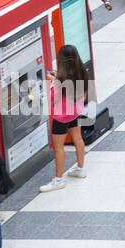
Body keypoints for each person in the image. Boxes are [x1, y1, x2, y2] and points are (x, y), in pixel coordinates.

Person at [38, 44, 89, 193]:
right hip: (76, 112)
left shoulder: (60, 81)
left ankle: (58, 180)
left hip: (61, 116)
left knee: (58, 148)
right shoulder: (82, 73)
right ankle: (80, 168)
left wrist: (53, 83)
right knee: (78, 138)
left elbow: (54, 98)